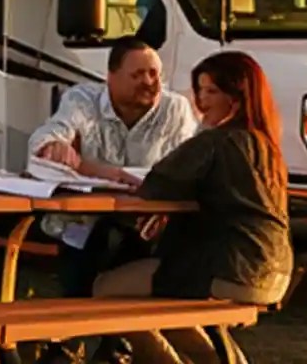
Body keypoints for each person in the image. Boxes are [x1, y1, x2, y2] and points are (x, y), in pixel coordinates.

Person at [90, 50, 295, 364]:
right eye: (199, 90)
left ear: (236, 97)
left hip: (230, 267)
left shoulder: (215, 142)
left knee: (106, 290)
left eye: (211, 91)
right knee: (163, 306)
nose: (202, 100)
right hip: (275, 270)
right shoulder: (267, 146)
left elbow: (153, 186)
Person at [28, 36, 200, 363]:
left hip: (143, 223)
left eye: (154, 74)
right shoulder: (82, 99)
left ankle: (115, 347)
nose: (149, 83)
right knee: (81, 243)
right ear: (110, 76)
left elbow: (182, 172)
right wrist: (55, 147)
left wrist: (91, 167)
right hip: (85, 217)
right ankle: (67, 345)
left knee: (128, 252)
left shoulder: (174, 109)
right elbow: (49, 137)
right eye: (137, 75)